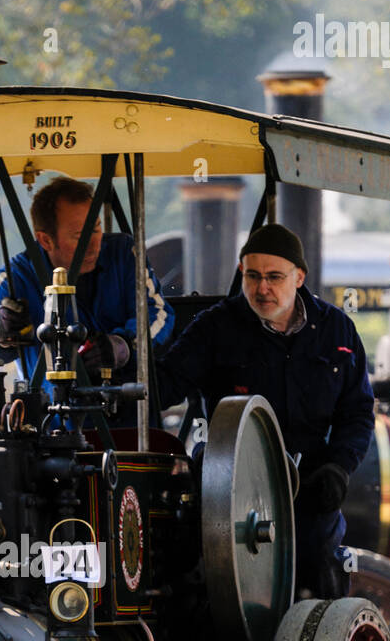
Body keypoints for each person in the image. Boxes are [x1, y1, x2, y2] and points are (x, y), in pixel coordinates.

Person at [156, 223, 374, 599]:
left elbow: (357, 412)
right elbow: (164, 386)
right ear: (242, 271)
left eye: (275, 277)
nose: (262, 289)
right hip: (230, 485)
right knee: (202, 583)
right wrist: (122, 363)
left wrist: (339, 467)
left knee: (320, 578)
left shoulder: (337, 331)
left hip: (309, 485)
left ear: (299, 277)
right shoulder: (215, 328)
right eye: (252, 276)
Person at [0, 176, 174, 395]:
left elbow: (158, 313)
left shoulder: (124, 254)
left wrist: (123, 346)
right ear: (45, 240)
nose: (94, 245)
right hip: (48, 420)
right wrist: (2, 333)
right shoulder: (11, 279)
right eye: (79, 236)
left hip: (126, 407)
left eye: (96, 229)